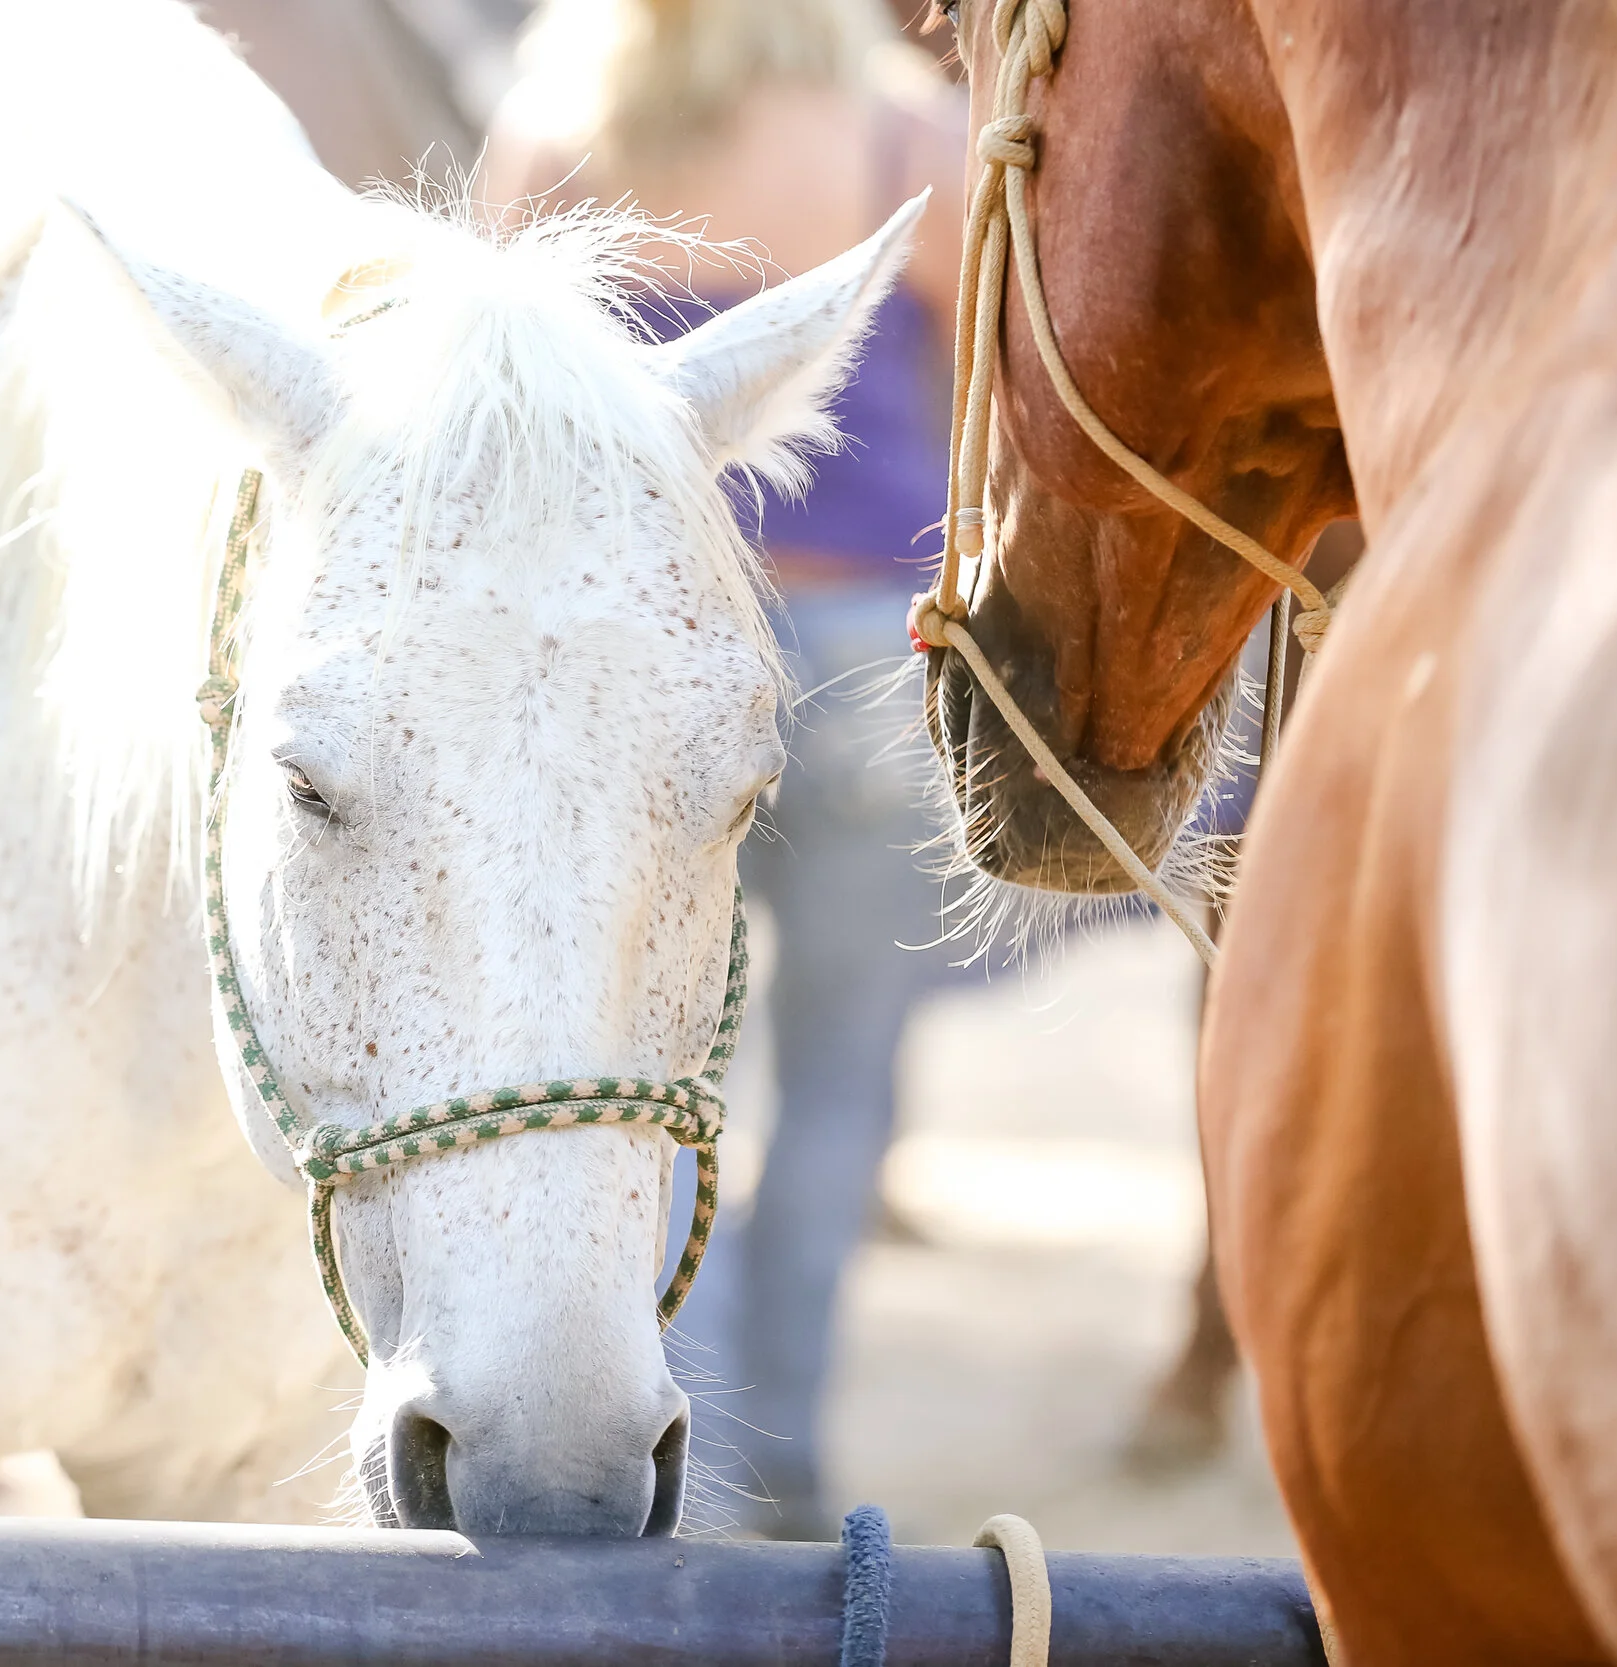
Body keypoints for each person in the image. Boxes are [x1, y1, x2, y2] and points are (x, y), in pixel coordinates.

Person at [485, 0, 966, 1540]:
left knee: (653, 1074)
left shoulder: (564, 143)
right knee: (836, 1079)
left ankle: (698, 1451)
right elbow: (994, 398)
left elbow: (492, 411)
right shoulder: (908, 139)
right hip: (872, 653)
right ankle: (796, 1448)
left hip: (650, 680)